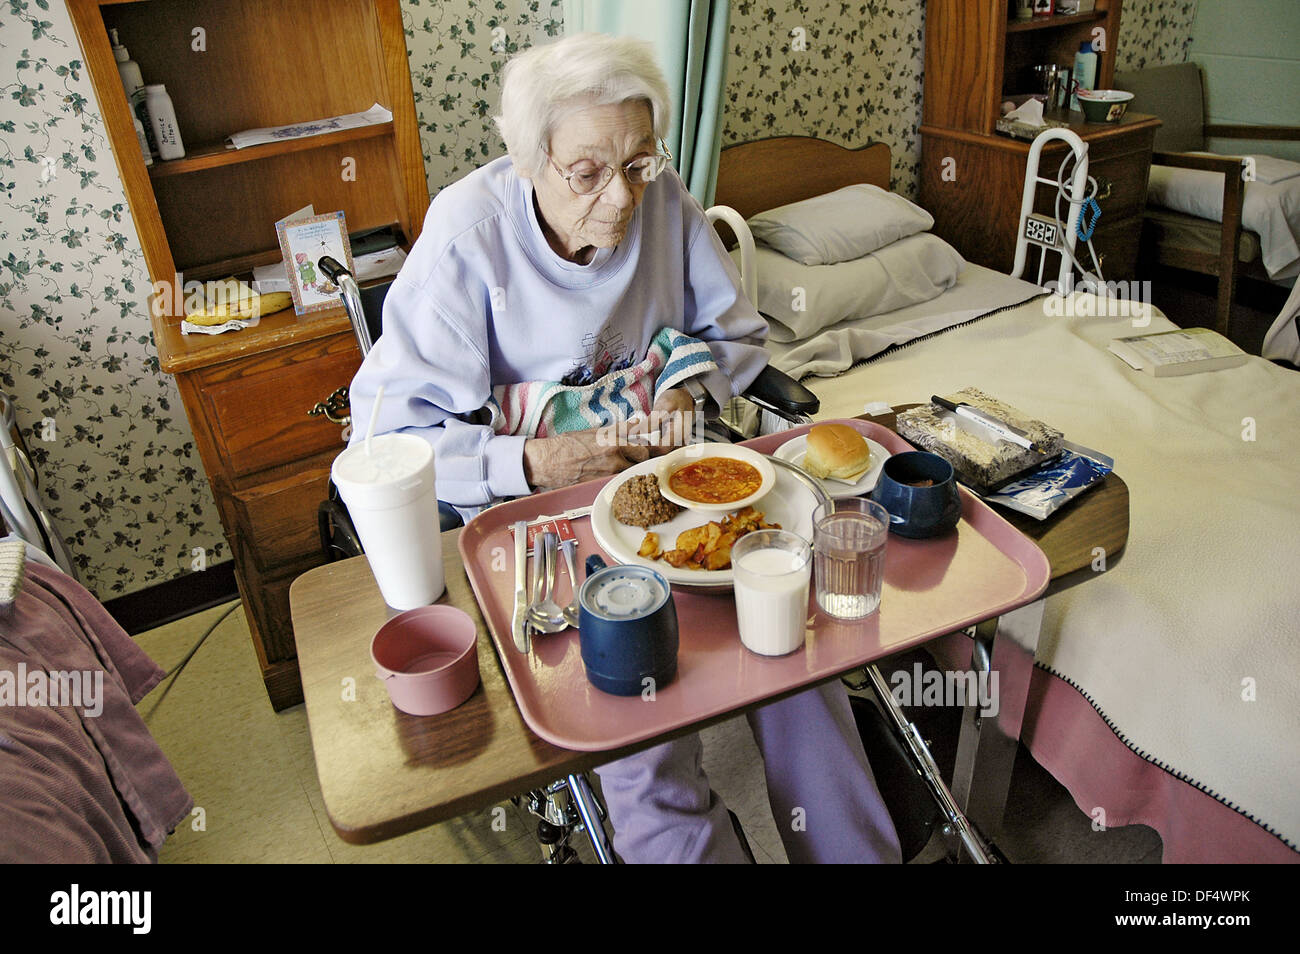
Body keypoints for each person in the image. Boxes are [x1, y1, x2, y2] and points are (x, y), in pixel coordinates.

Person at [348, 32, 900, 864]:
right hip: (544, 522)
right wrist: (533, 462)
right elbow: (384, 437)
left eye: (639, 163)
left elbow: (736, 339)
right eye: (588, 172)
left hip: (680, 486)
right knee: (640, 725)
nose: (621, 199)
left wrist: (692, 391)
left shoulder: (663, 197)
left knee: (797, 653)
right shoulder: (467, 241)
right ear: (531, 159)